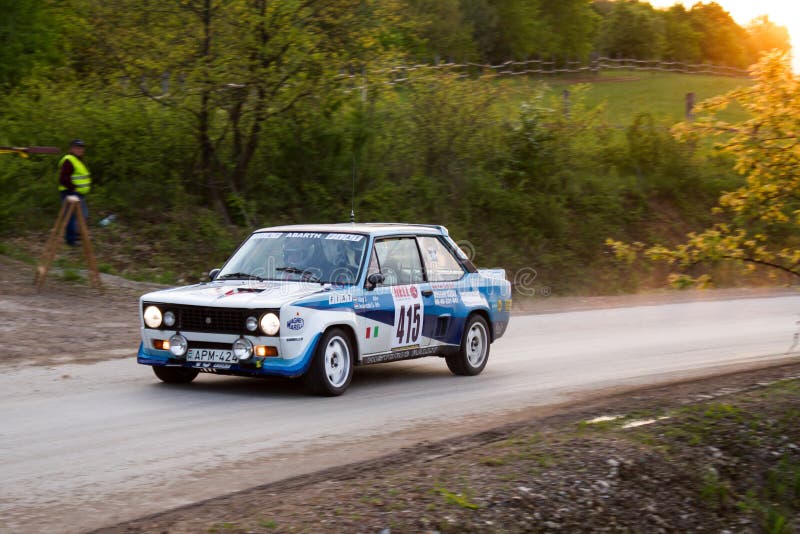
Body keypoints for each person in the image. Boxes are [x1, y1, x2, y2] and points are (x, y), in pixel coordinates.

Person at [58, 139, 91, 246]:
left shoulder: (78, 160)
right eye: (77, 148)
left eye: (81, 148)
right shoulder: (69, 160)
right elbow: (63, 178)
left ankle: (76, 236)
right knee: (70, 217)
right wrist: (73, 188)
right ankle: (71, 240)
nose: (80, 150)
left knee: (83, 215)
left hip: (78, 194)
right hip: (70, 193)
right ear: (71, 148)